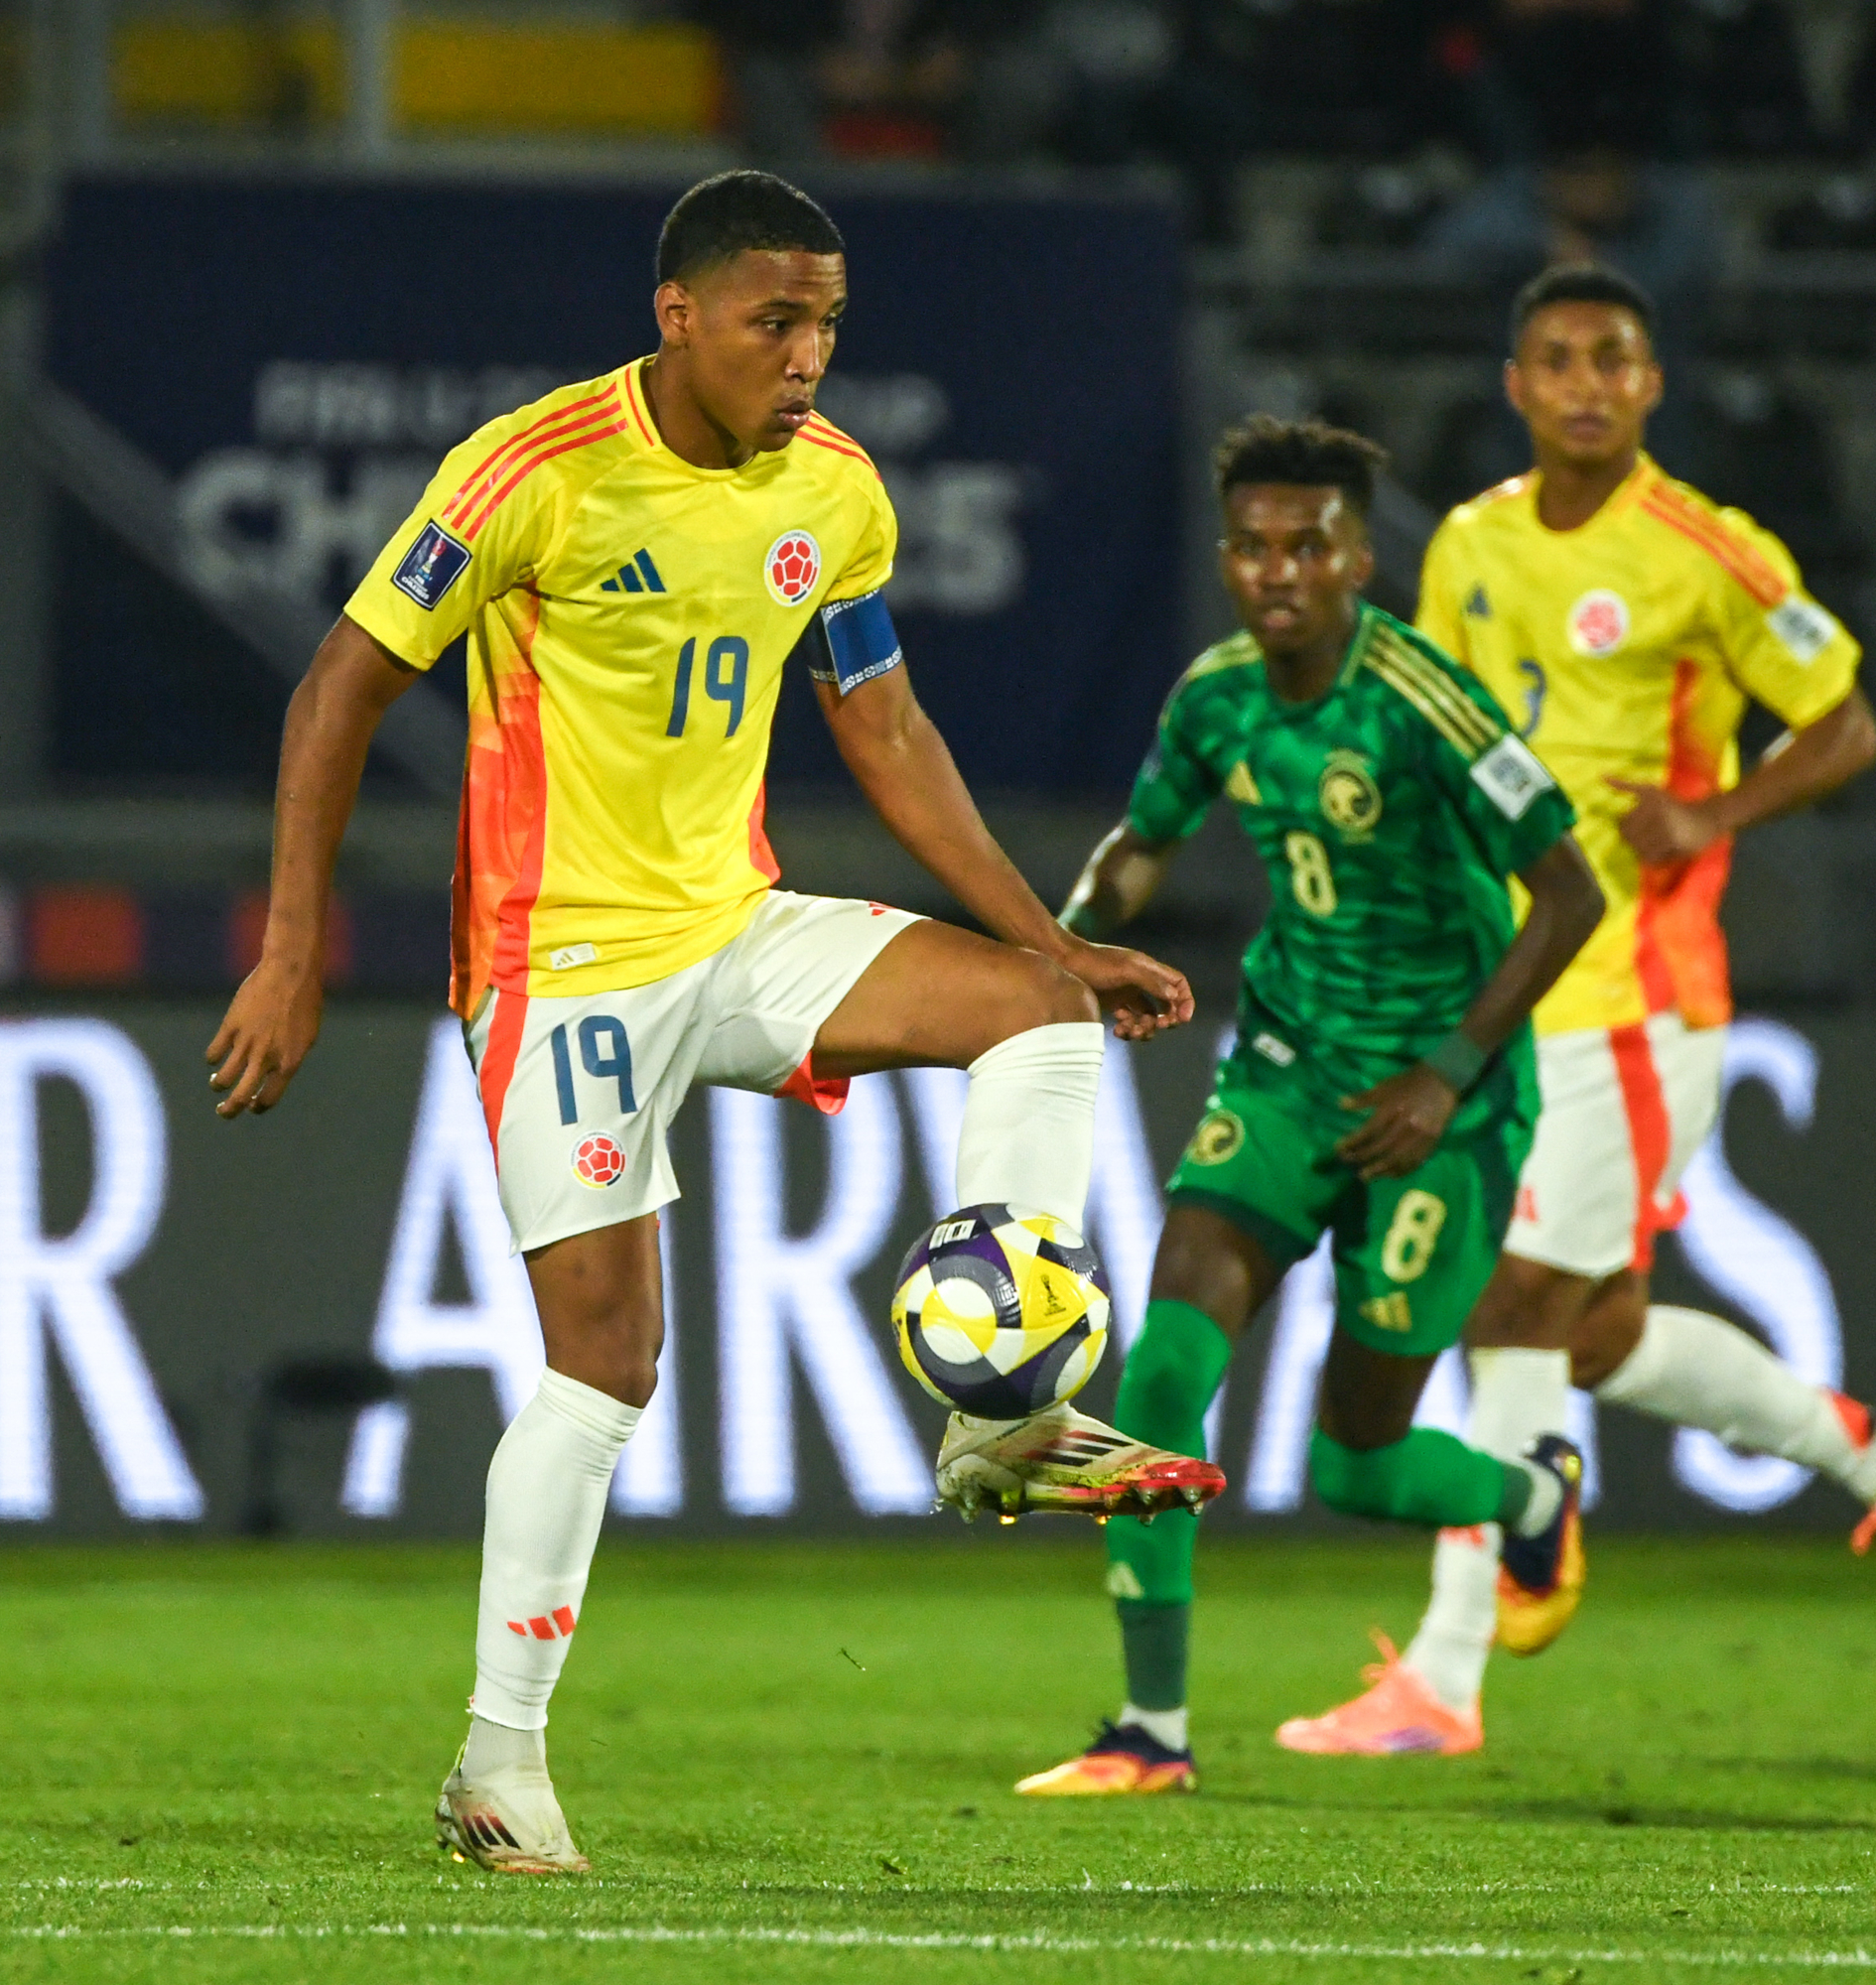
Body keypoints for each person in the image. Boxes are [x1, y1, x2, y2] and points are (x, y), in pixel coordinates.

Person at [204, 170, 1223, 1875]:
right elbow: (341, 686)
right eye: (776, 321)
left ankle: (998, 1411)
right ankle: (495, 1767)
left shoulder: (833, 490)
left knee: (1038, 1013)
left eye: (827, 321)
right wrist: (294, 948)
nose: (810, 356)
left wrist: (1051, 930)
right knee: (608, 1369)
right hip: (561, 968)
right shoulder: (528, 473)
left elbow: (883, 726)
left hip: (735, 930)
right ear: (678, 316)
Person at [1277, 265, 1876, 1760]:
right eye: (1558, 359)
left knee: (1505, 1301)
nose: (1587, 382)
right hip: (1521, 987)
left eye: (1615, 358)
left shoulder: (1702, 553)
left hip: (1645, 1004)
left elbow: (1847, 721)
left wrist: (1718, 806)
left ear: (1651, 386)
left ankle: (1449, 1668)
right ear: (1517, 384)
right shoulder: (1469, 542)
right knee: (1586, 1334)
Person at [1010, 416, 1604, 1798]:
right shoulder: (1214, 699)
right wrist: (1061, 950)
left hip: (1440, 1106)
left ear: (1358, 562)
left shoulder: (1424, 701)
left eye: (1309, 547)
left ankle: (1530, 1494)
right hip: (1283, 1069)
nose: (1277, 571)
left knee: (1362, 1462)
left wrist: (1446, 1072)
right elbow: (1142, 846)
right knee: (1160, 1376)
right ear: (1229, 560)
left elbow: (1573, 891)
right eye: (1254, 547)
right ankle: (1149, 1733)